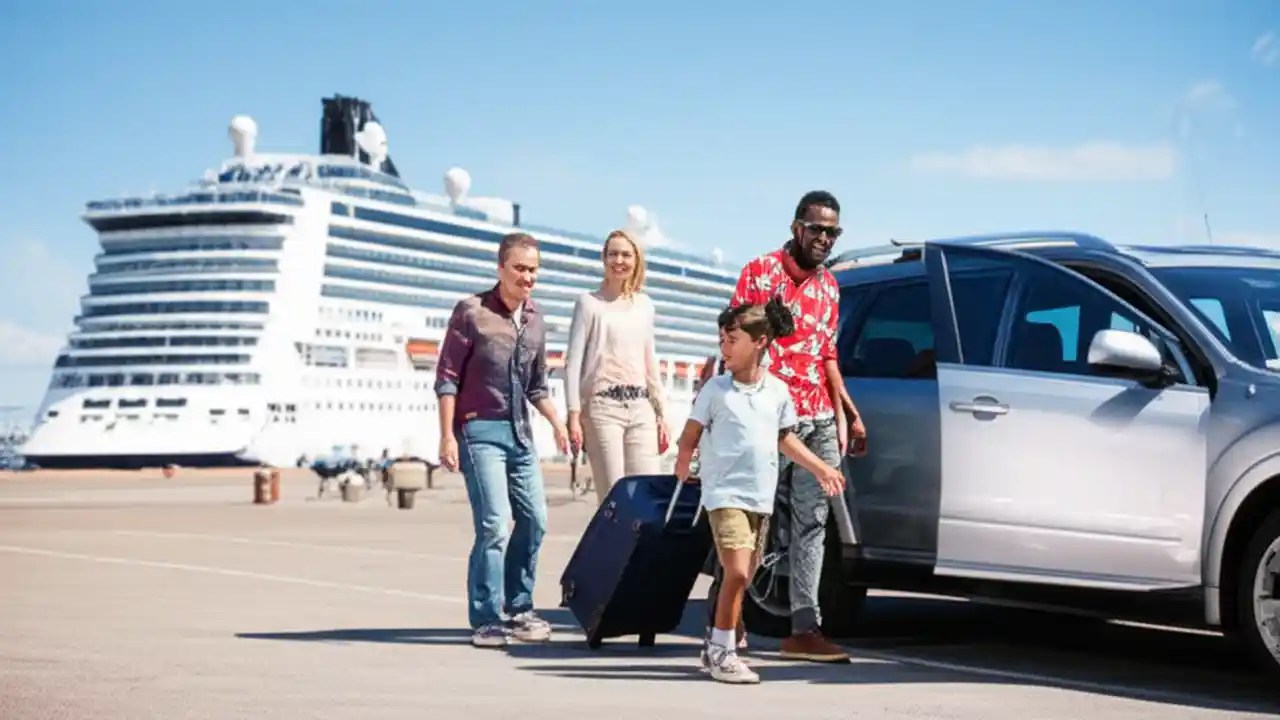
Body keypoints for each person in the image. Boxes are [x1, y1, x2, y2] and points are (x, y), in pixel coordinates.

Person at [726, 190, 866, 662]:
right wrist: (765, 325)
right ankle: (730, 619)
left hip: (817, 416)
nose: (824, 238)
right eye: (817, 229)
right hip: (767, 417)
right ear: (796, 228)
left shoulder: (830, 287)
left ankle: (805, 629)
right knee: (755, 517)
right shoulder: (760, 272)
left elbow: (827, 354)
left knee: (813, 521)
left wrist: (847, 408)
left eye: (833, 232)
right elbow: (732, 337)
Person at [674, 298, 845, 684]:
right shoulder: (715, 390)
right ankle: (723, 650)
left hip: (760, 497)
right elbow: (690, 435)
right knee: (735, 571)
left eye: (732, 339)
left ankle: (717, 645)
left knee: (745, 578)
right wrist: (683, 462)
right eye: (721, 340)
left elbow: (784, 438)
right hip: (724, 495)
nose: (725, 348)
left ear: (760, 342)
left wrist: (820, 467)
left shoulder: (778, 392)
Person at [435, 232, 571, 649]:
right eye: (519, 268)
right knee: (494, 524)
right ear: (501, 268)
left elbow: (537, 385)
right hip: (479, 432)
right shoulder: (471, 312)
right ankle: (486, 617)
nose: (527, 277)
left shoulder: (536, 318)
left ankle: (520, 606)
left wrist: (557, 422)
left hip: (520, 433)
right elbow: (446, 379)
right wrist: (446, 437)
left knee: (535, 520)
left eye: (533, 269)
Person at [564, 229, 669, 504]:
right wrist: (574, 414)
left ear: (636, 260)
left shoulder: (645, 305)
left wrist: (661, 412)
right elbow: (572, 362)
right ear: (603, 258)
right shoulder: (588, 303)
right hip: (602, 408)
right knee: (613, 496)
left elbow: (650, 361)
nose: (618, 260)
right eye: (613, 254)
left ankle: (644, 549)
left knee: (648, 494)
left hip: (641, 406)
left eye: (625, 254)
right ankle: (611, 548)